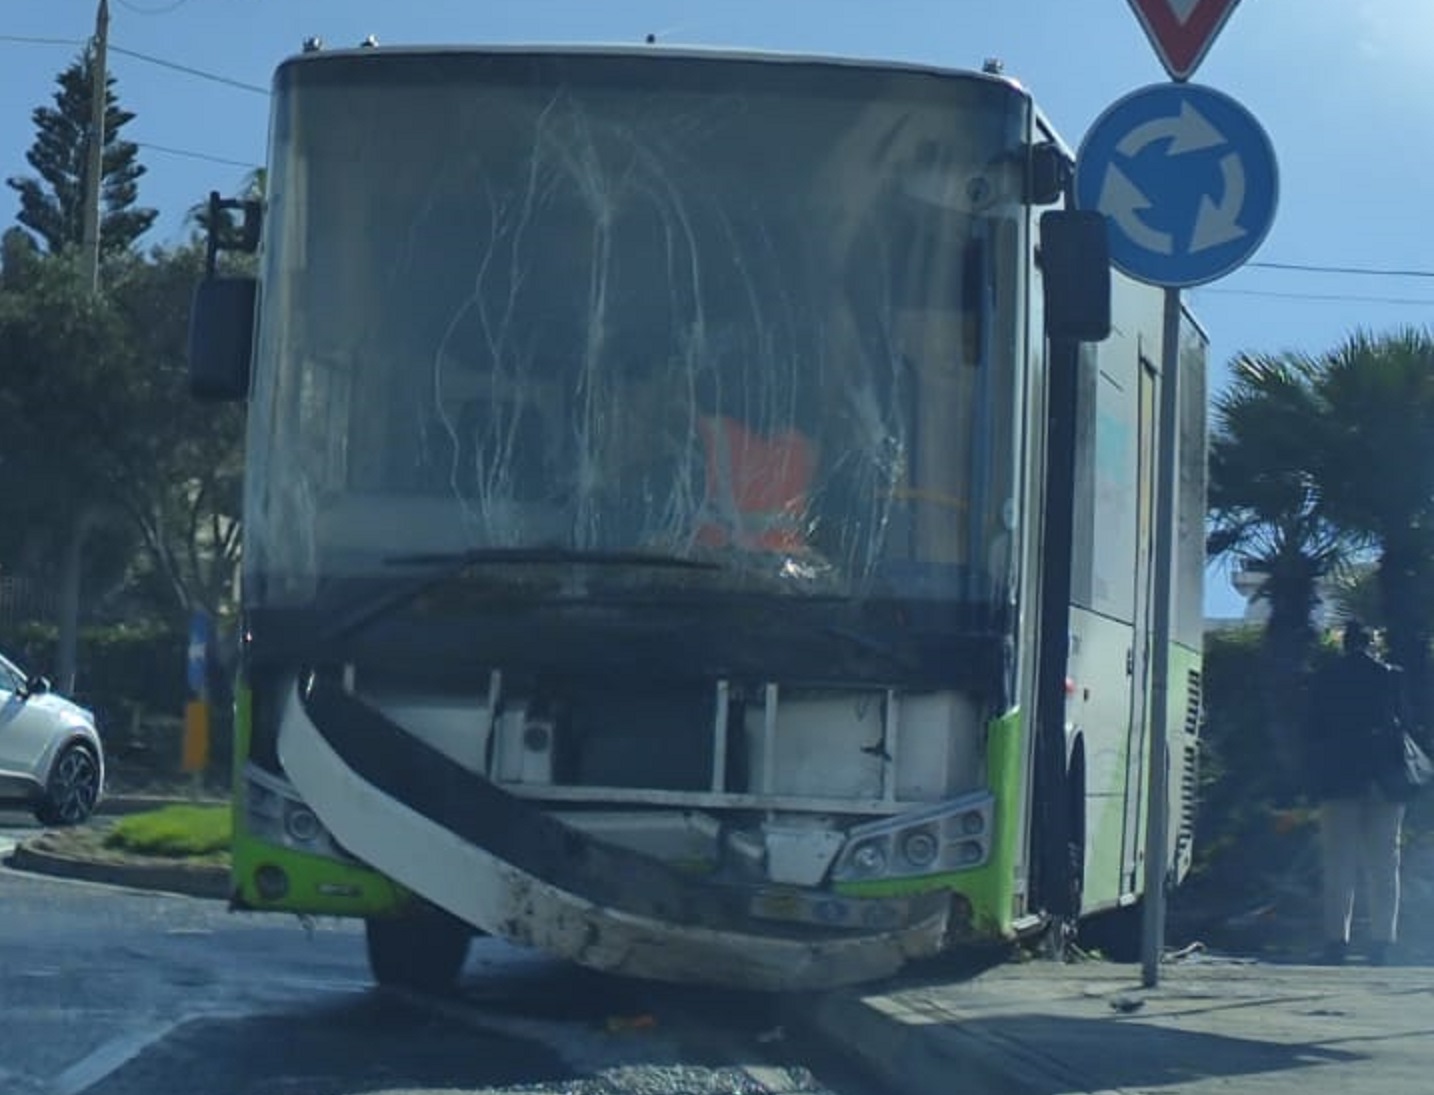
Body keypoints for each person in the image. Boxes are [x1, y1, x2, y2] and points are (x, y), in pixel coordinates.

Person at [1306, 619, 1409, 966]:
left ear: (1344, 644)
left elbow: (1314, 729)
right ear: (1371, 643)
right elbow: (1405, 723)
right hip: (1384, 781)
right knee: (1384, 865)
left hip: (1339, 781)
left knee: (1339, 865)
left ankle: (1337, 941)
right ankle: (1383, 941)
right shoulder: (1391, 676)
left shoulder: (1326, 678)